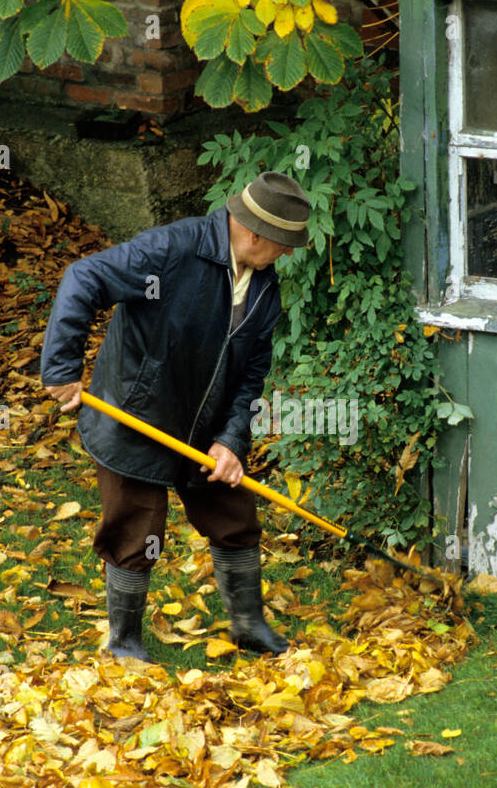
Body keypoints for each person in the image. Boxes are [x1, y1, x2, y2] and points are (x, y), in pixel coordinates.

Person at [40, 171, 310, 663]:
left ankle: (248, 624)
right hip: (134, 416)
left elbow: (251, 374)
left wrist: (231, 441)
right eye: (283, 244)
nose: (287, 255)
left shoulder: (265, 288)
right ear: (254, 234)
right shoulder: (169, 251)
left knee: (235, 517)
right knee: (135, 529)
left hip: (205, 428)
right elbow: (84, 277)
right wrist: (61, 368)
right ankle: (124, 642)